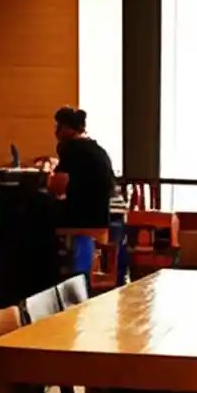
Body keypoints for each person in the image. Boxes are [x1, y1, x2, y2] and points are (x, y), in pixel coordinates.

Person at [48, 106, 116, 278]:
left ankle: (49, 279)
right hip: (100, 216)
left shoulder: (72, 148)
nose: (56, 131)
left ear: (65, 127)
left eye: (58, 126)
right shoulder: (98, 150)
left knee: (36, 217)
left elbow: (58, 185)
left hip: (81, 216)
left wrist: (47, 177)